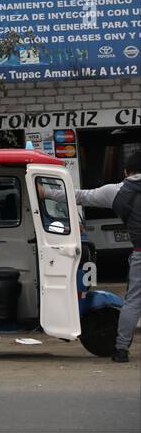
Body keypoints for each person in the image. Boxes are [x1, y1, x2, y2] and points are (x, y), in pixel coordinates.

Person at [76, 151, 141, 363]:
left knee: (133, 302)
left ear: (125, 172)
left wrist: (44, 191)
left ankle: (121, 350)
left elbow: (80, 196)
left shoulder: (117, 191)